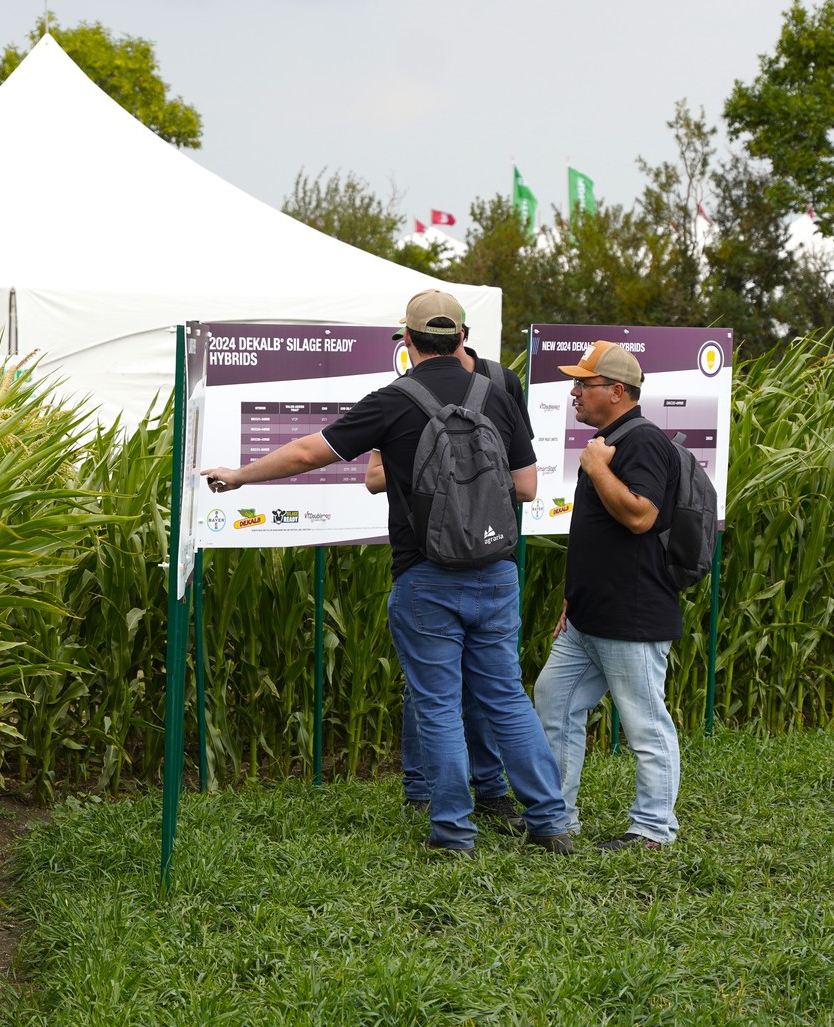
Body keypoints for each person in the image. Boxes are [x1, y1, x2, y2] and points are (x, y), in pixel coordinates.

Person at [201, 290, 577, 854]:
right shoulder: (497, 396)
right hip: (496, 572)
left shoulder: (393, 400)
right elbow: (525, 487)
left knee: (438, 703)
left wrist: (241, 475)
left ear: (408, 340)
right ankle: (549, 823)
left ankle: (453, 833)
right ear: (462, 338)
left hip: (424, 576)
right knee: (505, 698)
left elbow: (309, 452)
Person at [367, 342, 528, 826]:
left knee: (459, 697)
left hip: (454, 563)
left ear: (410, 339)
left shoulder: (500, 383)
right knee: (477, 694)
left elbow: (520, 481)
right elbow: (376, 477)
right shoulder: (403, 395)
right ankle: (428, 791)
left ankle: (470, 806)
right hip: (481, 562)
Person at [532, 340, 684, 850]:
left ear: (617, 391)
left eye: (584, 383)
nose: (574, 392)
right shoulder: (610, 438)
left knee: (645, 724)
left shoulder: (640, 443)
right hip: (588, 617)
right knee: (553, 701)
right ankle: (557, 819)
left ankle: (653, 830)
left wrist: (598, 466)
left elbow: (641, 516)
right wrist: (574, 597)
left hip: (631, 617)